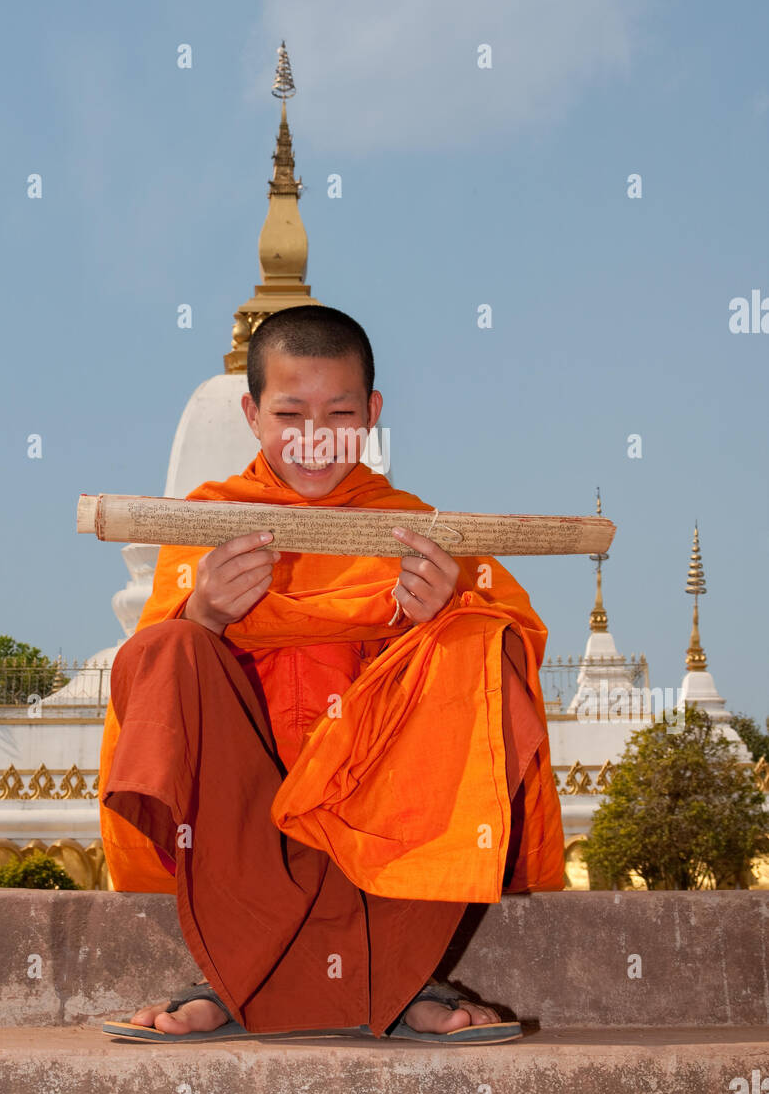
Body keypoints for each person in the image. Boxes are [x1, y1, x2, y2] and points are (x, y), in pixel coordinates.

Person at [99, 305, 564, 1044]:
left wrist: (437, 616)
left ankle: (400, 977)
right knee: (164, 650)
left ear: (373, 414)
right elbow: (158, 684)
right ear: (250, 414)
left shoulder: (413, 529)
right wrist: (205, 615)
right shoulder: (209, 522)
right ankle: (234, 973)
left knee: (480, 642)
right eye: (290, 413)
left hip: (369, 791)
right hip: (246, 803)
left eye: (340, 412)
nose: (315, 437)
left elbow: (492, 658)